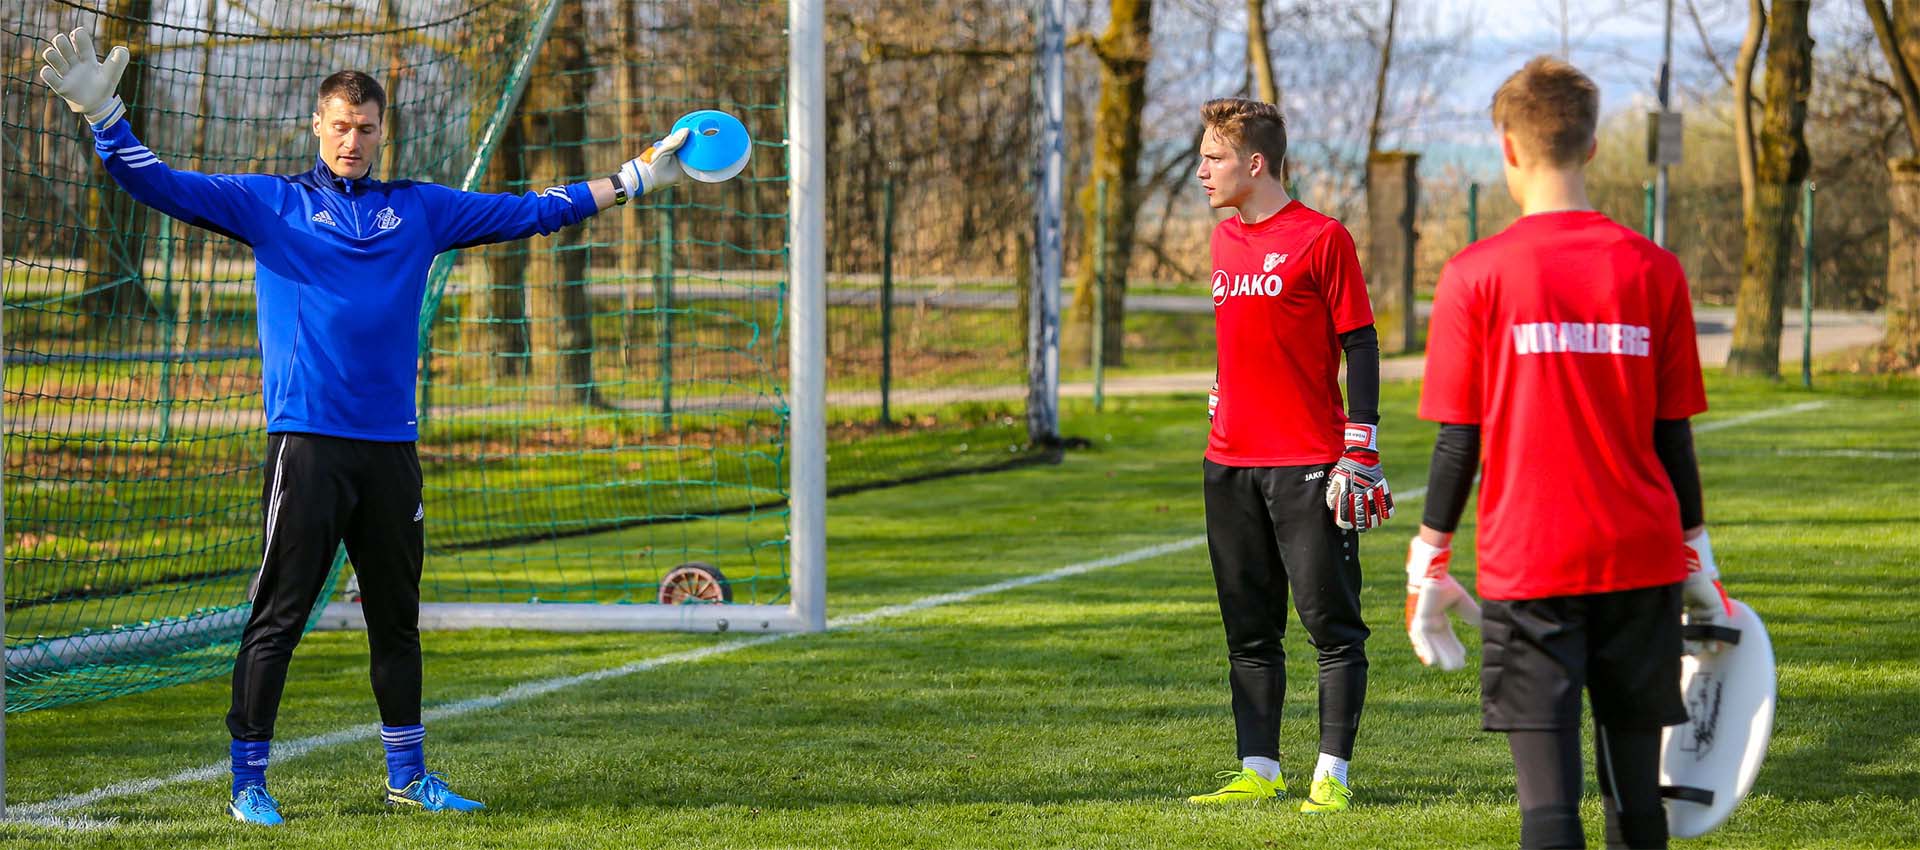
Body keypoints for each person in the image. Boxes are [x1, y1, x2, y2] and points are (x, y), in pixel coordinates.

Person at [39, 27, 711, 825]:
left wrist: (634, 176)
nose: (351, 140)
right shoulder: (271, 203)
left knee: (396, 617)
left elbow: (532, 212)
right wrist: (106, 117)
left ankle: (408, 774)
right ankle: (249, 782)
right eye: (339, 125)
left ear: (380, 133)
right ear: (316, 127)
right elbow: (162, 186)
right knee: (279, 617)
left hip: (392, 447)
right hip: (308, 444)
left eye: (365, 128)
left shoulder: (419, 210)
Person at [1404, 56, 1731, 850]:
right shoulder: (1654, 271)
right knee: (1635, 800)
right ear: (1589, 148)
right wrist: (1698, 554)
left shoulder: (1472, 275)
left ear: (1507, 150)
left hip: (1531, 567)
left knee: (1548, 809)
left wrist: (1429, 561)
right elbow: (1671, 434)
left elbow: (1460, 439)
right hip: (1640, 560)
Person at [1186, 97, 1392, 815]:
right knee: (1248, 627)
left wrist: (1359, 444)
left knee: (1331, 627)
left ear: (1255, 162)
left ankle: (1330, 775)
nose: (1202, 170)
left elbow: (1359, 342)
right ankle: (1259, 768)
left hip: (1308, 462)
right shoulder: (1221, 243)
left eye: (1213, 158)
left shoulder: (1322, 238)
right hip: (1229, 463)